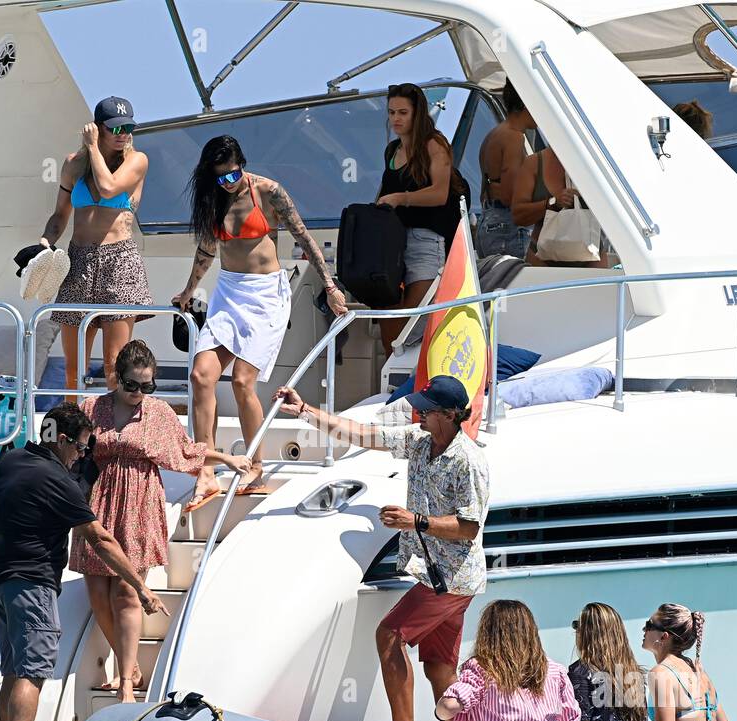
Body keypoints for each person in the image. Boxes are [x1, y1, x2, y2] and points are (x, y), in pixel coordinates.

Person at [274, 374, 489, 721]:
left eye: (425, 408)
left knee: (389, 634)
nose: (417, 412)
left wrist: (415, 521)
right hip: (442, 579)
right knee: (439, 667)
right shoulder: (421, 444)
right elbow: (362, 434)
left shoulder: (469, 462)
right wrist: (305, 410)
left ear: (449, 414)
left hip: (452, 581)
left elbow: (470, 527)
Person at [0, 402, 168, 721]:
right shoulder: (57, 481)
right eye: (80, 447)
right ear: (61, 440)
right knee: (31, 672)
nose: (82, 455)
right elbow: (101, 539)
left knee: (12, 672)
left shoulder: (11, 460)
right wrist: (141, 588)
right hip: (34, 583)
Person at [172, 135, 347, 511]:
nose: (228, 182)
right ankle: (205, 471)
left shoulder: (269, 192)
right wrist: (189, 290)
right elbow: (207, 250)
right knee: (201, 376)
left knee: (241, 381)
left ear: (242, 163)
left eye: (233, 173)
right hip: (229, 292)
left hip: (266, 296)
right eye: (219, 177)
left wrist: (330, 287)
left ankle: (255, 465)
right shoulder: (212, 198)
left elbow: (304, 237)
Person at [71, 340, 250, 702]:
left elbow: (184, 450)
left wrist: (225, 460)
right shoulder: (92, 407)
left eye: (147, 386)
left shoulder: (158, 413)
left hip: (138, 502)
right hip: (98, 501)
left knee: (126, 589)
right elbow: (70, 450)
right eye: (132, 385)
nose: (139, 393)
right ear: (116, 378)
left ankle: (125, 682)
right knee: (97, 592)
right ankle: (129, 664)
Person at [38, 96, 152, 392]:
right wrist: (43, 245)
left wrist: (91, 147)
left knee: (115, 366)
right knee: (74, 370)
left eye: (128, 127)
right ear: (97, 127)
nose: (124, 134)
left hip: (120, 262)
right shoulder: (73, 165)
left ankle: (111, 435)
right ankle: (71, 432)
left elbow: (108, 187)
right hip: (78, 261)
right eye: (116, 128)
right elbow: (59, 217)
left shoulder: (136, 160)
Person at [435, 600, 581, 721]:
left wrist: (441, 712)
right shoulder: (556, 672)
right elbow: (571, 720)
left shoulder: (482, 668)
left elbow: (450, 706)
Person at [375, 82, 470, 354]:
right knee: (390, 323)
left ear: (418, 114)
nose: (396, 119)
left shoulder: (434, 145)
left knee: (413, 321)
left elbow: (440, 194)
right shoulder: (392, 151)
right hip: (395, 244)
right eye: (392, 112)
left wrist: (401, 198)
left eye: (403, 112)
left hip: (427, 241)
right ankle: (389, 384)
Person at [511, 148, 610, 269]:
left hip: (591, 257)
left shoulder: (596, 163)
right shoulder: (534, 163)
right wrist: (551, 203)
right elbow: (518, 216)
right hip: (543, 257)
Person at [475, 82, 536, 259]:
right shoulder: (513, 137)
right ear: (526, 105)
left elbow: (487, 190)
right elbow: (512, 195)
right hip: (507, 227)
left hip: (488, 222)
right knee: (513, 284)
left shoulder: (494, 134)